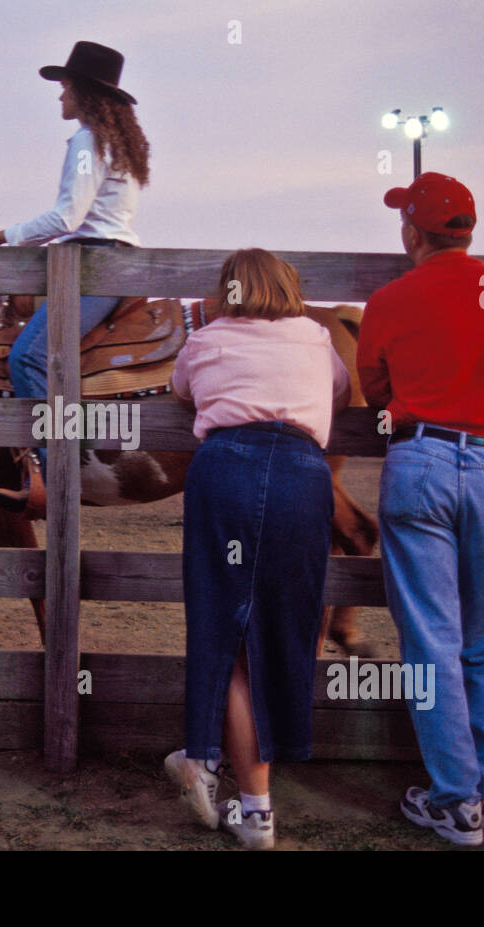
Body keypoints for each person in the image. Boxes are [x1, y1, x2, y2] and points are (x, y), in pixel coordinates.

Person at [356, 172, 484, 846]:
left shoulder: (391, 298)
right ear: (467, 228)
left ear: (414, 231)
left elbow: (375, 388)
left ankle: (455, 799)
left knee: (430, 637)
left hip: (423, 459)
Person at [163, 248, 350, 850]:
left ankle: (227, 780)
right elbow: (341, 396)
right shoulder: (317, 339)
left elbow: (180, 389)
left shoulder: (207, 339)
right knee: (285, 632)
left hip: (225, 470)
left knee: (224, 631)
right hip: (301, 471)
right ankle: (240, 789)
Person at [0, 40, 149, 513]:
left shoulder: (88, 140)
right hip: (107, 262)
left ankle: (55, 474)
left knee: (30, 358)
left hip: (93, 266)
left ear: (84, 93)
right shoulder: (116, 141)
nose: (59, 97)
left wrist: (1, 236)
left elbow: (67, 219)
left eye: (65, 87)